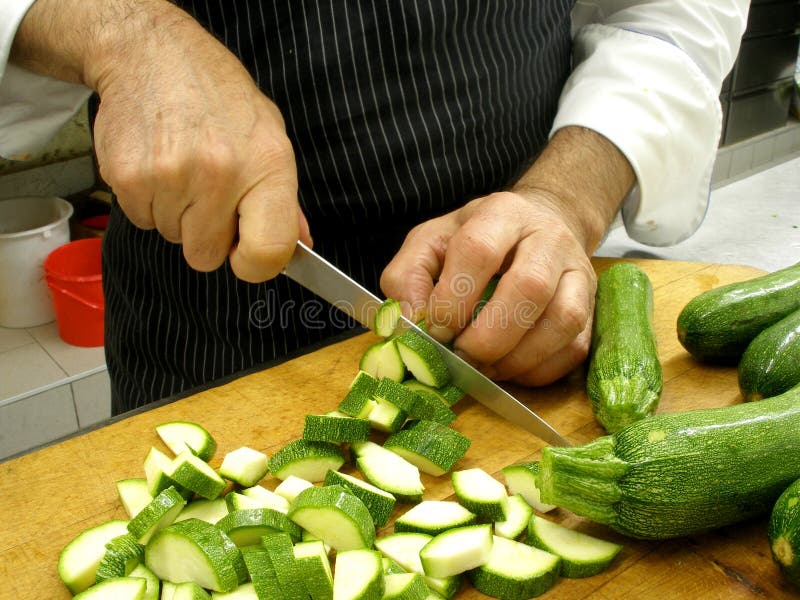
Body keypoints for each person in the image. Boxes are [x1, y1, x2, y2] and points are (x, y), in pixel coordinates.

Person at [0, 0, 748, 414]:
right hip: (208, 310)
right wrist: (124, 30)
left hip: (521, 286)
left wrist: (565, 196)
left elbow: (673, 10)